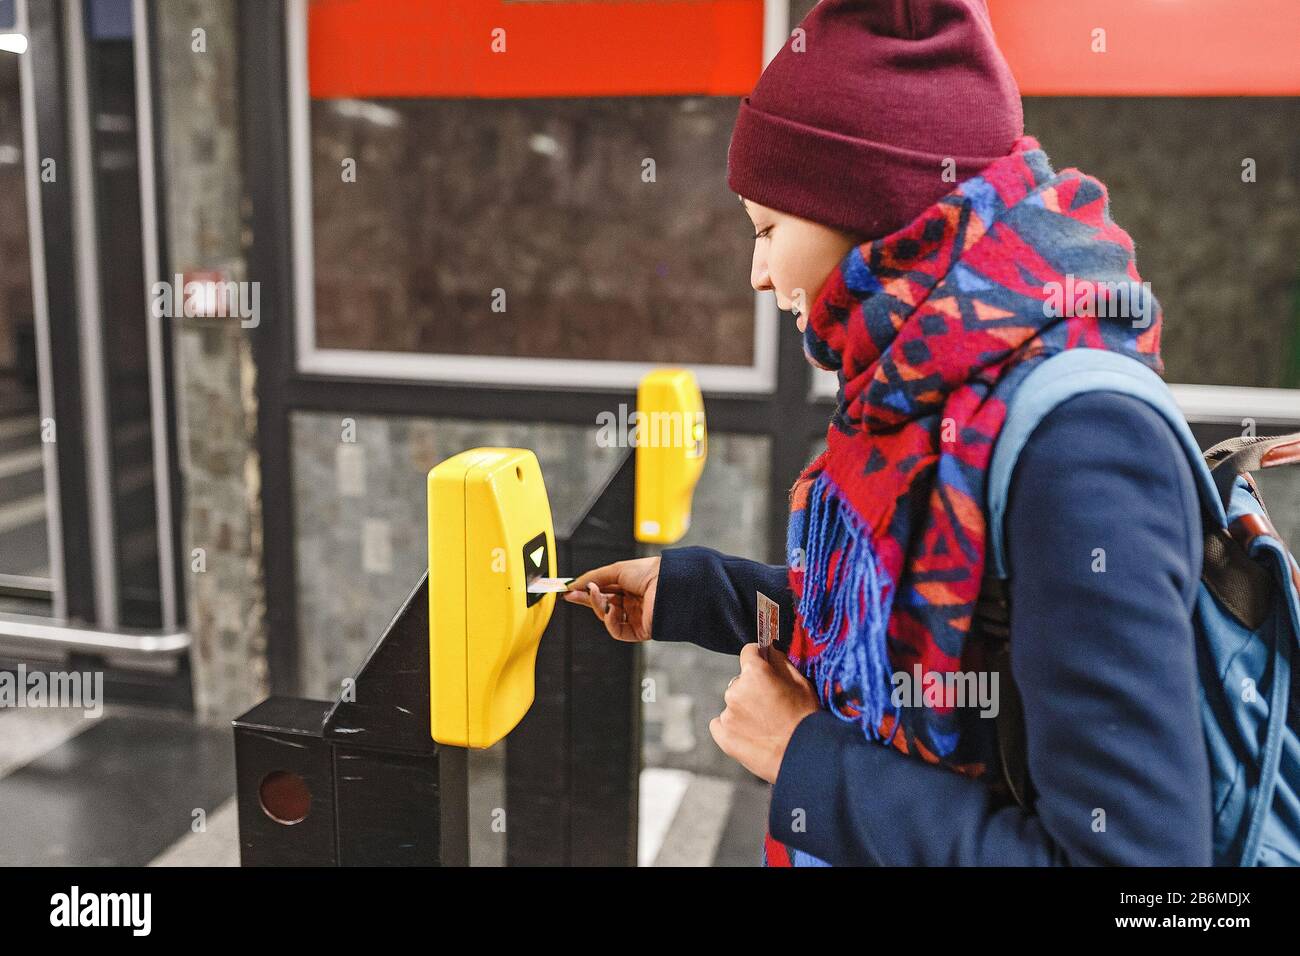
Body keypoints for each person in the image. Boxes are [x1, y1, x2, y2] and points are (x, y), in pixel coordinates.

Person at [565, 0, 1210, 866]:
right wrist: (699, 595)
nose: (758, 273)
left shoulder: (1081, 443)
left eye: (768, 230)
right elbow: (925, 644)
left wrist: (807, 762)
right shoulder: (929, 378)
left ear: (872, 210)